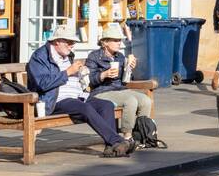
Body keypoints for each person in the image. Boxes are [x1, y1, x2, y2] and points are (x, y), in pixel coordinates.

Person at [26, 22, 133, 157]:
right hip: (54, 100)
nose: (72, 46)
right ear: (57, 41)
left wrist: (81, 73)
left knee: (106, 105)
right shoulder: (40, 56)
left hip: (78, 95)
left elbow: (74, 77)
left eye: (73, 43)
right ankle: (117, 141)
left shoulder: (67, 54)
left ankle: (111, 147)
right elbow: (42, 84)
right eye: (69, 42)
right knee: (84, 108)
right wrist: (68, 72)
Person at [85, 22, 153, 135]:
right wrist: (104, 75)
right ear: (105, 42)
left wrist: (129, 69)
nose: (119, 43)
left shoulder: (119, 56)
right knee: (130, 101)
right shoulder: (94, 56)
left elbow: (126, 80)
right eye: (115, 40)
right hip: (101, 92)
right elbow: (90, 80)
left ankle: (141, 134)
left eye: (119, 40)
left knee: (146, 100)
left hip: (120, 89)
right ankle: (127, 135)